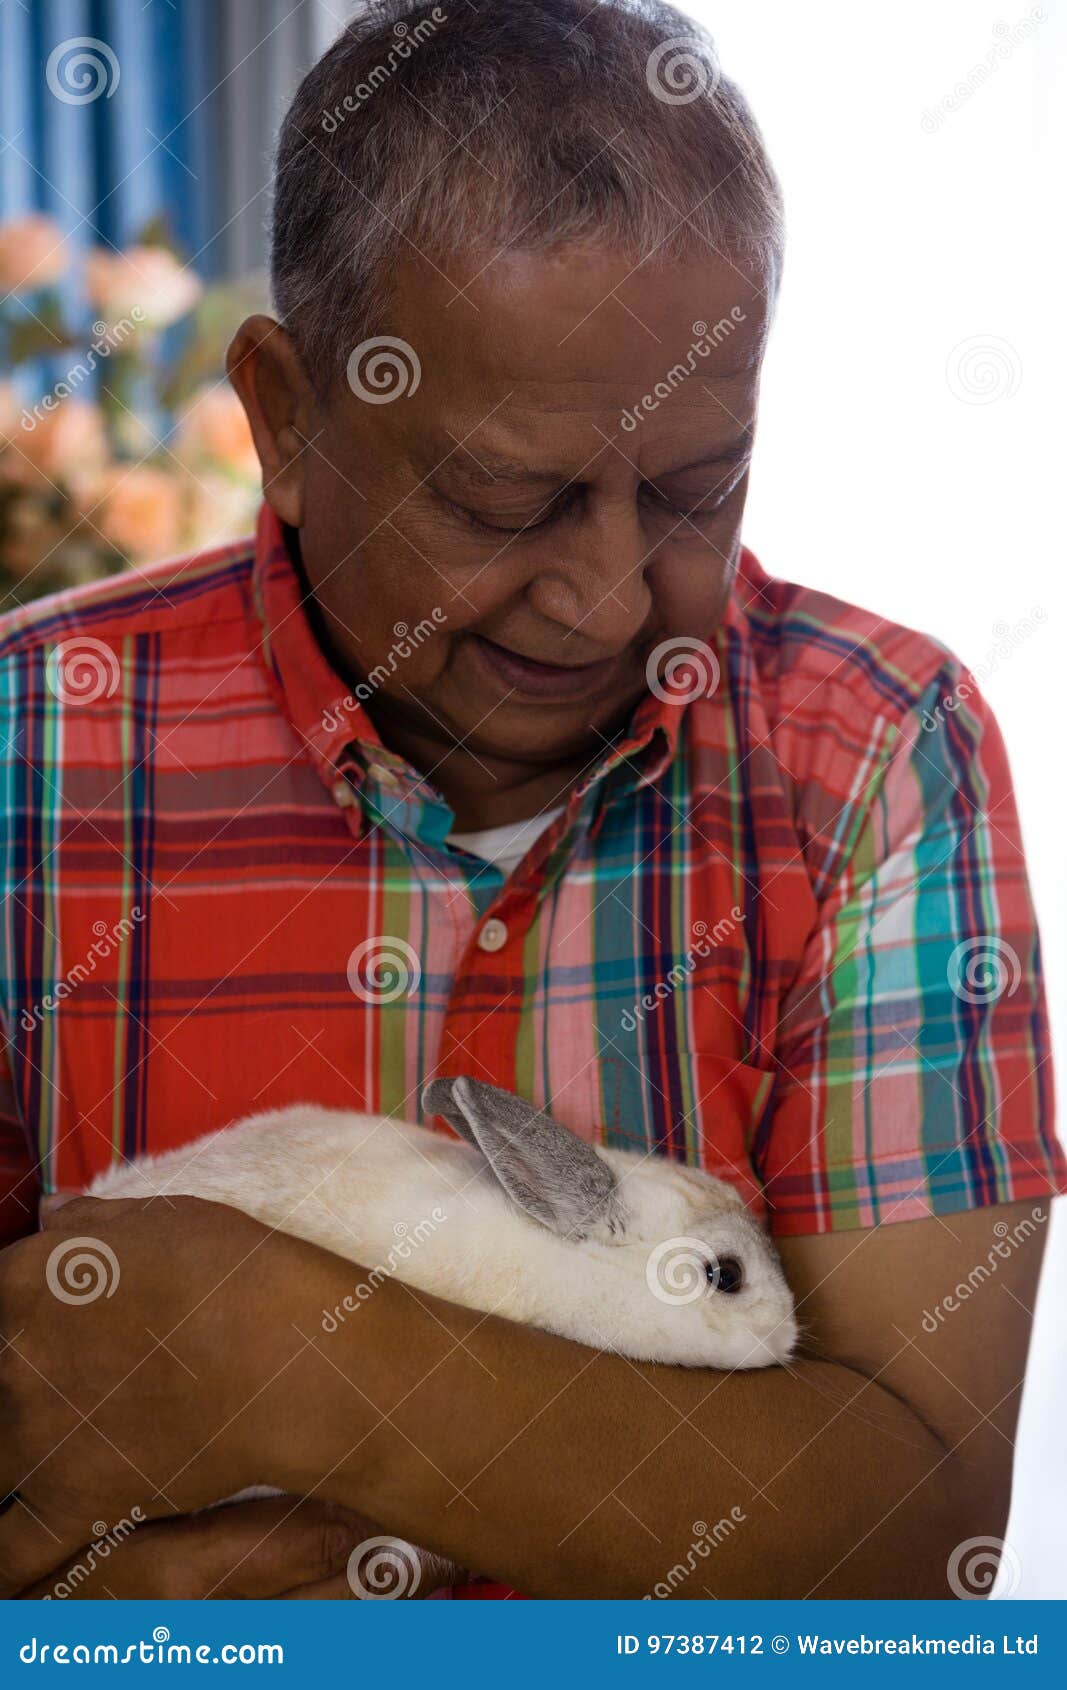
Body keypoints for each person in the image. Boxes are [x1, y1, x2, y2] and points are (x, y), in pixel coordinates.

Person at [0, 0, 1061, 1600]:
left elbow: (916, 1541)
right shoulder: (32, 748)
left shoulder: (877, 753)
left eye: (700, 489)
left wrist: (297, 1357)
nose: (612, 598)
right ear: (287, 418)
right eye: (507, 499)